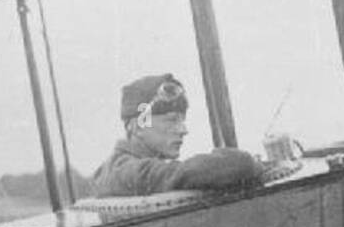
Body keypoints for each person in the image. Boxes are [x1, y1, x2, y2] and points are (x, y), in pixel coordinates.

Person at [91, 73, 263, 196]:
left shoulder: (117, 168)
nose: (183, 130)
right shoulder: (126, 172)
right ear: (137, 126)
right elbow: (238, 164)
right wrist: (251, 163)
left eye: (182, 121)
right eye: (172, 120)